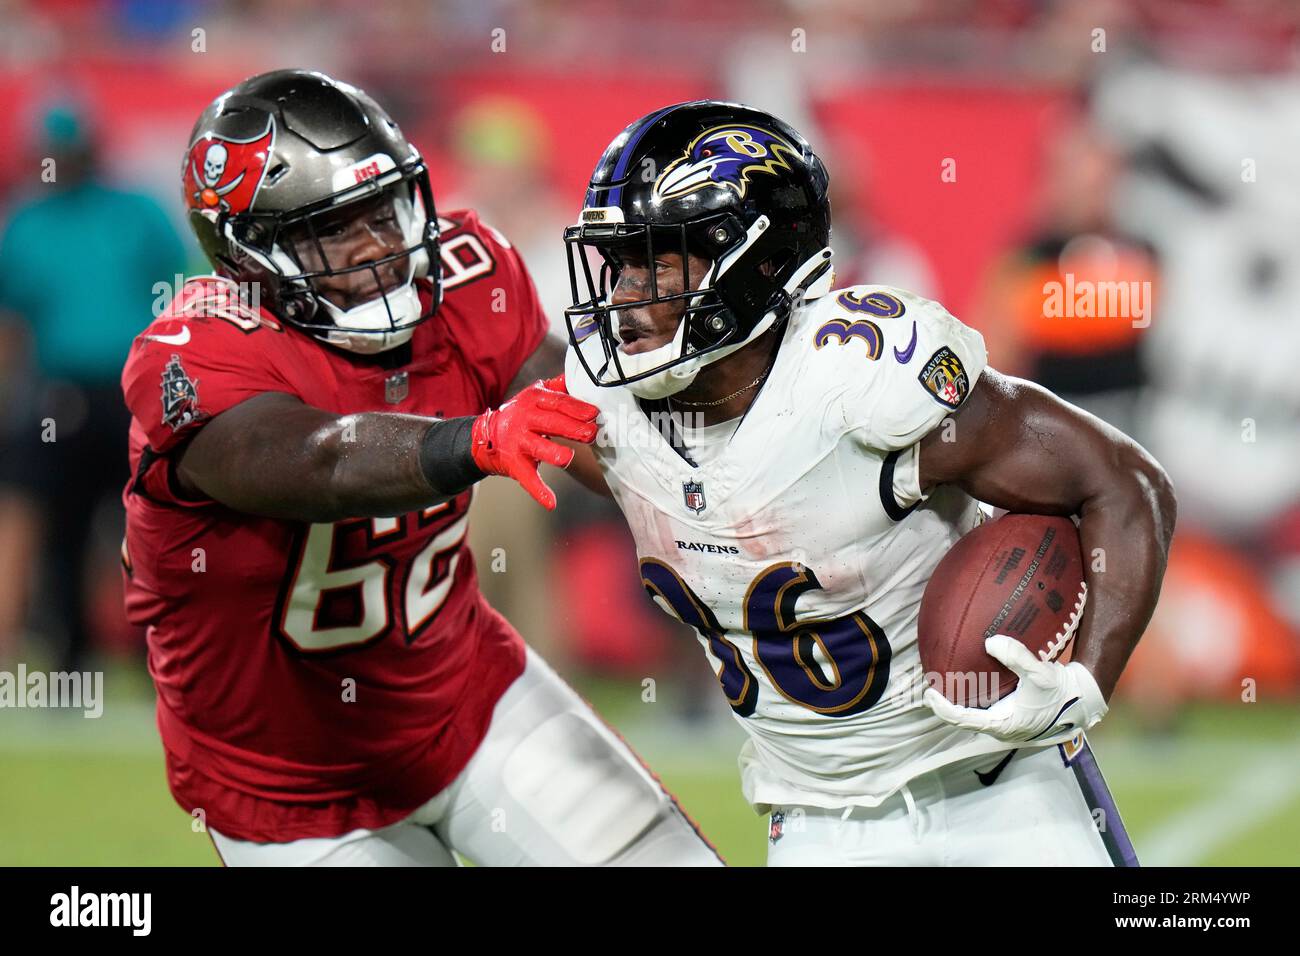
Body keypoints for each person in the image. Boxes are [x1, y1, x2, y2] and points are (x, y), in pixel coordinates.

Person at [121, 70, 720, 867]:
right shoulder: (200, 350)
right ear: (253, 254)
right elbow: (316, 459)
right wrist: (471, 441)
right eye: (338, 229)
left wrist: (718, 501)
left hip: (467, 698)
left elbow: (577, 417)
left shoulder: (467, 281)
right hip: (284, 786)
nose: (381, 246)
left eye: (385, 210)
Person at [562, 100, 1177, 866]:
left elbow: (1124, 482)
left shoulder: (860, 383)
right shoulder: (600, 406)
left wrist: (1089, 678)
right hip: (816, 826)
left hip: (1001, 794)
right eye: (618, 261)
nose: (623, 293)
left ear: (754, 264)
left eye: (656, 261)